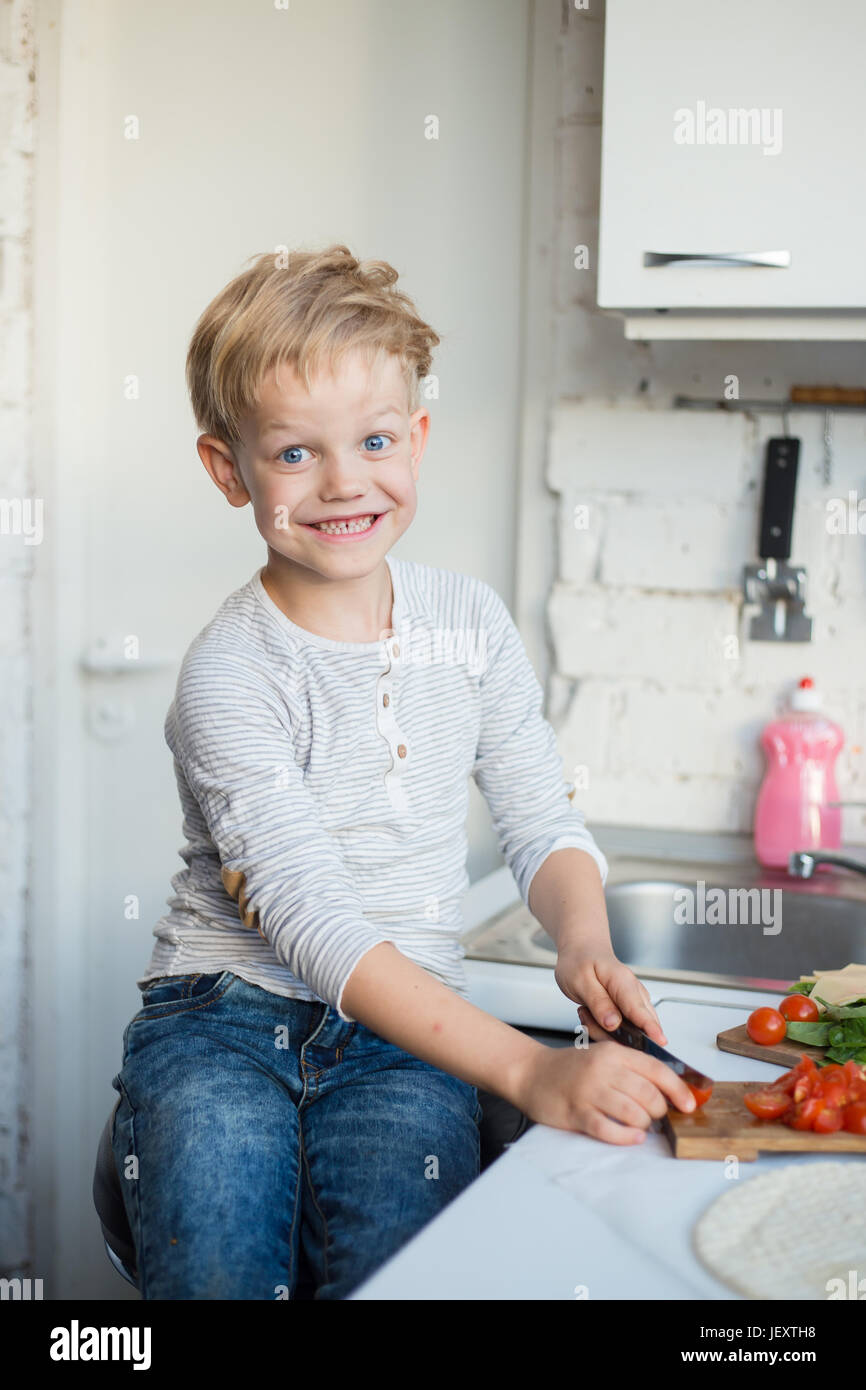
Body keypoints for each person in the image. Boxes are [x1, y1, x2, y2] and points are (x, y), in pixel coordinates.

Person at [110, 244, 695, 1301]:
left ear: (414, 440)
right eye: (294, 454)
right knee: (216, 1273)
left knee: (408, 1273)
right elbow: (312, 919)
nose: (343, 483)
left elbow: (538, 816)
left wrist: (584, 939)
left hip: (404, 1038)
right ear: (226, 467)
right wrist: (529, 1069)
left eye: (374, 440)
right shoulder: (228, 673)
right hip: (220, 1019)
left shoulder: (468, 622)